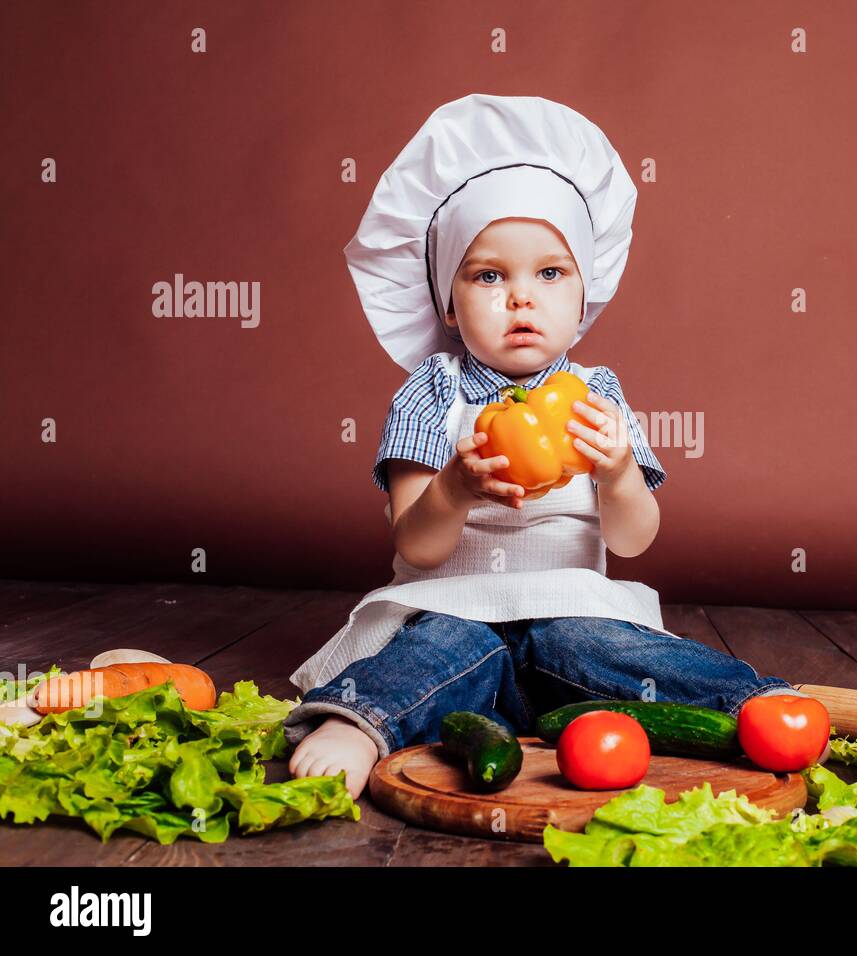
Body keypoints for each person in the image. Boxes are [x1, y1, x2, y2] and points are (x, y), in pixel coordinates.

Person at [283, 94, 825, 800]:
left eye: (549, 273)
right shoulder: (430, 392)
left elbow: (633, 541)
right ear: (446, 301)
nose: (521, 299)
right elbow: (415, 546)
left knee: (610, 648)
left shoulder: (596, 393)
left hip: (570, 614)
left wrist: (621, 472)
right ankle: (359, 721)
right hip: (456, 612)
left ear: (584, 291)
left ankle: (751, 703)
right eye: (488, 276)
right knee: (434, 650)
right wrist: (454, 489)